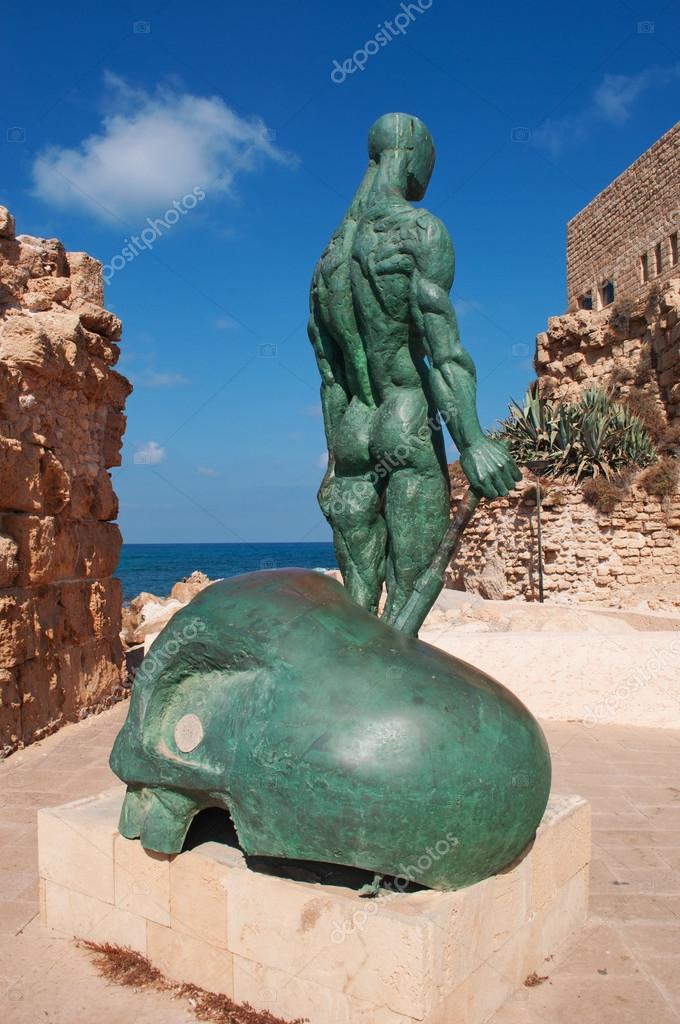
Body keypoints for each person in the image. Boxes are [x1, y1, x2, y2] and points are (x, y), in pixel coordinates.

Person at [308, 112, 520, 625]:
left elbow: (331, 377)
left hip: (353, 429)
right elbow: (443, 351)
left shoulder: (327, 263)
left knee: (358, 607)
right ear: (413, 157)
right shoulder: (420, 231)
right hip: (406, 417)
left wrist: (334, 465)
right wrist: (472, 442)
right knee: (406, 603)